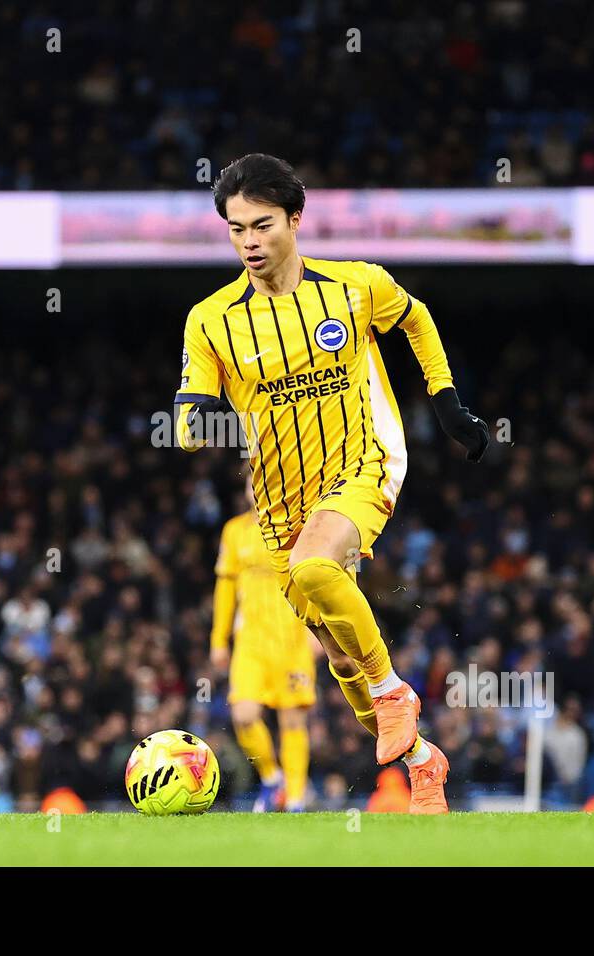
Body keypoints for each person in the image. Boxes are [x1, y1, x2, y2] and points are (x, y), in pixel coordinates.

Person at [175, 154, 490, 813]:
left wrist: (446, 401)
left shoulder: (352, 286)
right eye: (236, 230)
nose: (250, 242)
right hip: (277, 504)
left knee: (317, 569)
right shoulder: (211, 319)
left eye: (262, 225)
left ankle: (395, 690)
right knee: (339, 659)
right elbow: (189, 412)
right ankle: (423, 760)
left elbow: (415, 316)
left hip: (360, 465)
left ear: (295, 218)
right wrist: (193, 422)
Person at [211, 483, 332, 812]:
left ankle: (294, 799)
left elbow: (318, 575)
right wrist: (218, 640)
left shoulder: (299, 525)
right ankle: (271, 777)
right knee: (244, 714)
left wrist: (318, 628)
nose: (256, 488)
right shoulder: (234, 531)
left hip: (293, 638)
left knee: (293, 720)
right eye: (250, 482)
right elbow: (225, 588)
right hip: (250, 641)